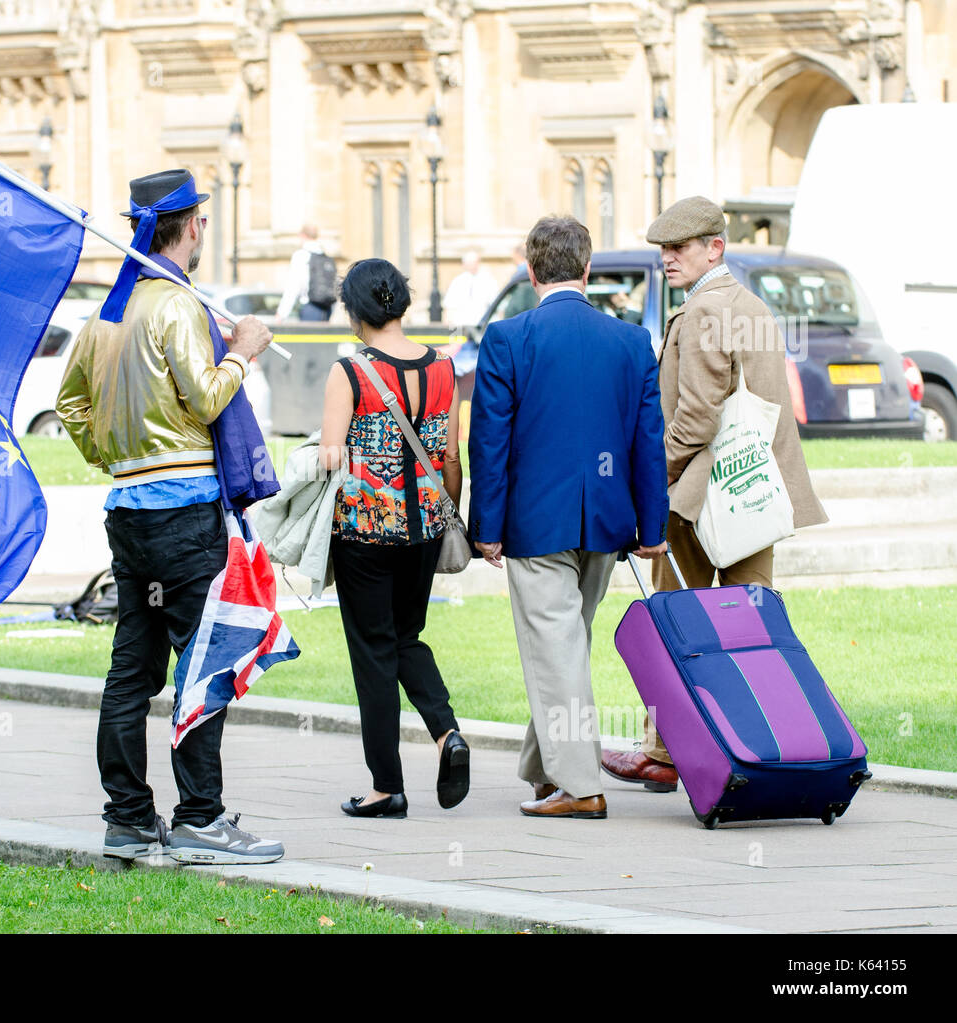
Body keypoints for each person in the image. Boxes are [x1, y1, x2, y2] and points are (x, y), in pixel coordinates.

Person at [55, 168, 285, 864]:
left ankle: (127, 816)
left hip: (127, 509)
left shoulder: (111, 312)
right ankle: (200, 816)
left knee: (132, 669)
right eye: (203, 220)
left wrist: (118, 452)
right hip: (184, 511)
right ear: (189, 226)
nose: (205, 230)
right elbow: (209, 397)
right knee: (202, 664)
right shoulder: (176, 306)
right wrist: (244, 352)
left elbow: (70, 405)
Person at [600, 196, 827, 792]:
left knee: (683, 623)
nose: (667, 259)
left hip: (702, 499)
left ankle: (662, 751)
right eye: (663, 249)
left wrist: (653, 479)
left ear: (715, 249)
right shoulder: (751, 305)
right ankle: (767, 744)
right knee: (755, 628)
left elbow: (695, 420)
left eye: (679, 249)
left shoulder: (702, 313)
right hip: (756, 493)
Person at [468, 216, 668, 820]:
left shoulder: (507, 339)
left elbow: (489, 444)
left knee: (556, 649)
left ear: (530, 273)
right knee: (564, 648)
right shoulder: (631, 341)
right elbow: (647, 443)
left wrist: (487, 528)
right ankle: (543, 769)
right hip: (606, 522)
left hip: (535, 523)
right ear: (588, 269)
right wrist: (652, 530)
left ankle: (581, 787)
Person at [318, 257, 469, 819]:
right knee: (408, 637)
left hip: (365, 532)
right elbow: (451, 458)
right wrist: (452, 511)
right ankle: (446, 733)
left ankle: (387, 786)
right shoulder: (443, 369)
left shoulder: (349, 372)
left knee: (374, 654)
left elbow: (331, 457)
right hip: (426, 525)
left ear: (355, 312)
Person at [275, 223, 335, 322]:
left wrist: (281, 313)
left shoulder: (301, 255)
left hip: (310, 308)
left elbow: (293, 286)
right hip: (327, 309)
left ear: (302, 235)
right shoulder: (325, 257)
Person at [442, 250, 498, 326]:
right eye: (468, 263)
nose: (471, 266)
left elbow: (496, 304)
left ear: (478, 263)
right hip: (461, 325)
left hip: (481, 325)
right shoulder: (458, 281)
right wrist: (447, 323)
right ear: (464, 264)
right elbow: (449, 305)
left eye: (473, 263)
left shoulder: (488, 280)